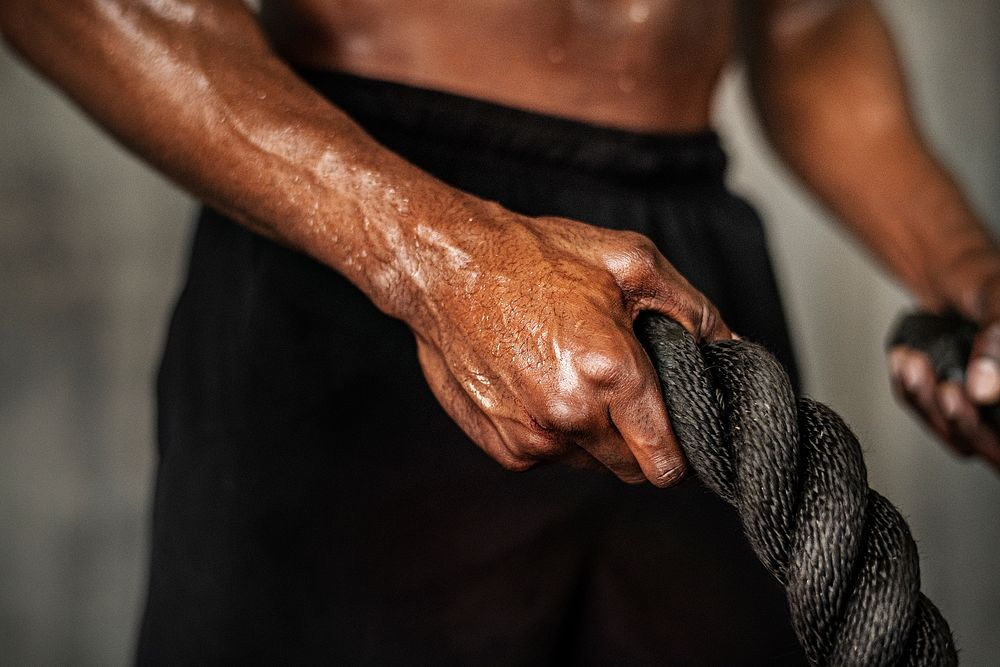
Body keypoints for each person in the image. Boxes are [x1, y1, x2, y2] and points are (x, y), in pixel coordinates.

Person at [1, 0, 997, 663]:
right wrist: (436, 260)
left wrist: (967, 270)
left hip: (685, 279)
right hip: (366, 225)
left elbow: (807, 22)